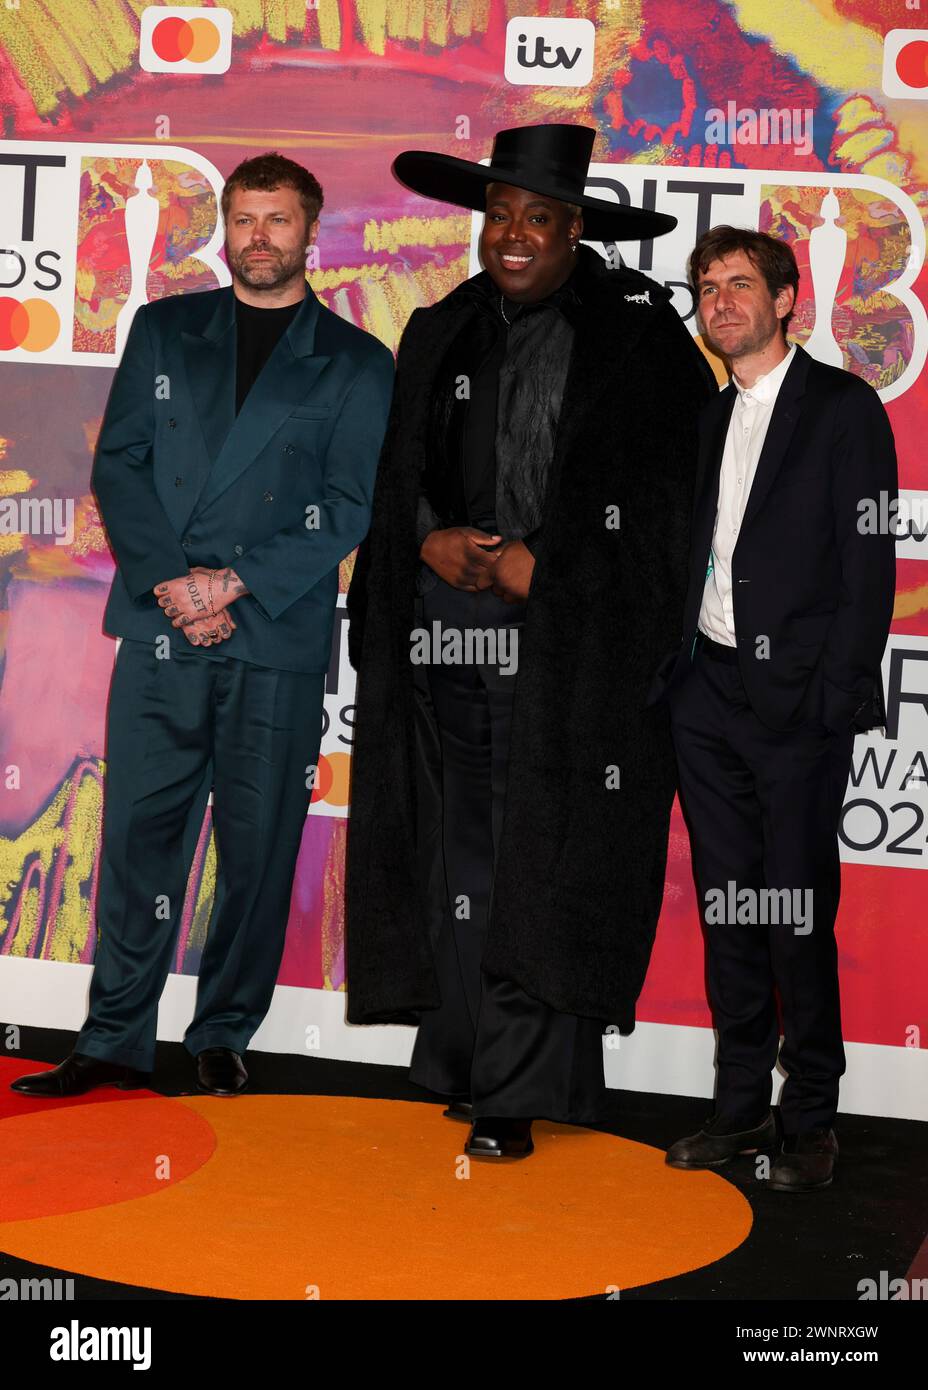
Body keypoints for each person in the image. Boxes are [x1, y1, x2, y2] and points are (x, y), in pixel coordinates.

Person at [345, 124, 717, 1159]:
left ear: (574, 230)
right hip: (442, 641)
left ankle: (517, 1089)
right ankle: (463, 1057)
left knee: (537, 855)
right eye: (497, 215)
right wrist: (428, 538)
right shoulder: (441, 329)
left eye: (536, 218)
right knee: (457, 844)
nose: (512, 234)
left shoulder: (639, 343)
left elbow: (663, 507)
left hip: (569, 653)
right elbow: (395, 478)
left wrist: (543, 566)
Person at [12, 152, 393, 1100]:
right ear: (224, 230)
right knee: (141, 838)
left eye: (277, 220)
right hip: (159, 626)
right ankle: (112, 1038)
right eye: (243, 219)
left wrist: (235, 585)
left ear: (311, 231)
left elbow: (350, 505)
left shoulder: (356, 360)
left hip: (273, 634)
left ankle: (224, 1033)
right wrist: (176, 585)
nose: (258, 237)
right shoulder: (164, 328)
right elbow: (123, 466)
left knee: (259, 847)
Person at [651, 226, 897, 1191]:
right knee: (730, 910)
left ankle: (812, 1119)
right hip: (705, 696)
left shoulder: (843, 408)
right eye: (707, 287)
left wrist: (831, 703)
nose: (721, 302)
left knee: (797, 914)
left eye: (741, 284)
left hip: (798, 709)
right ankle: (738, 1109)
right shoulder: (708, 417)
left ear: (790, 298)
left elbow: (868, 567)